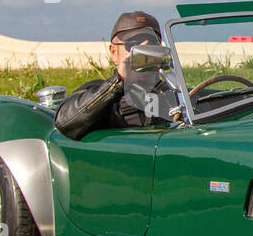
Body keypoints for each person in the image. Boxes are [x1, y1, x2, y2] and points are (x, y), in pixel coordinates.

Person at [54, 10, 173, 139]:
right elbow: (65, 122)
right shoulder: (99, 95)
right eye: (132, 44)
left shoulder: (173, 96)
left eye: (151, 43)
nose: (144, 51)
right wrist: (119, 81)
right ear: (113, 52)